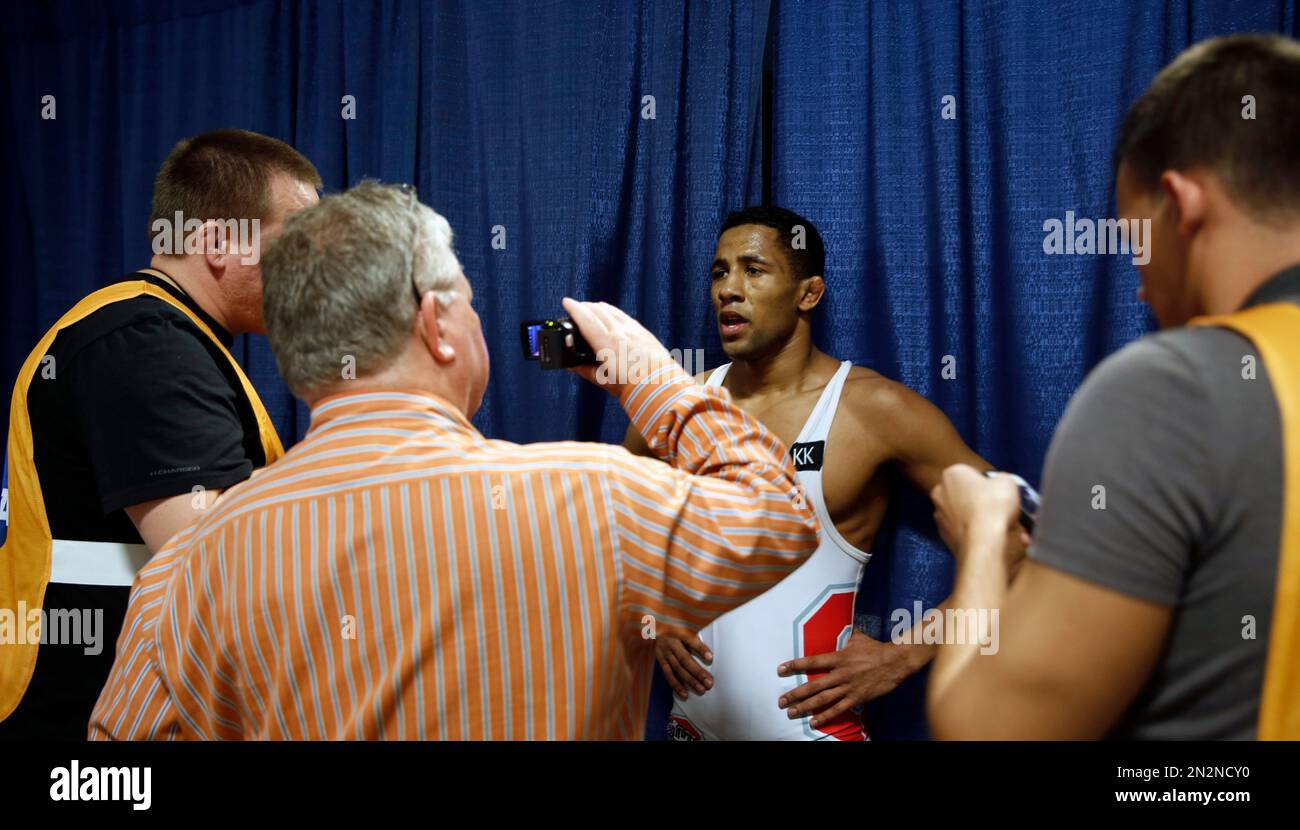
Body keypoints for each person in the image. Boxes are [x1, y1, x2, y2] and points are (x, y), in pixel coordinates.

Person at [88, 181, 820, 740]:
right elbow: (778, 515)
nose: (474, 322)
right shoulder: (598, 501)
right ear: (436, 325)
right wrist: (650, 375)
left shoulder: (184, 571)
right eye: (467, 304)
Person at [928, 33, 1300, 740]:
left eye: (1137, 241)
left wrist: (982, 537)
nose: (1137, 283)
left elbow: (986, 732)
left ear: (1180, 203)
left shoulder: (1175, 390)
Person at [626, 206, 998, 740]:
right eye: (719, 272)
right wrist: (654, 612)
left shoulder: (872, 411)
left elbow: (1018, 538)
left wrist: (906, 654)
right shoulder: (677, 409)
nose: (729, 289)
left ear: (809, 294)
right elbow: (610, 528)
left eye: (753, 270)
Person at [0, 128, 320, 739]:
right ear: (218, 244)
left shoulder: (173, 338)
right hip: (83, 721)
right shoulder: (143, 343)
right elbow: (218, 565)